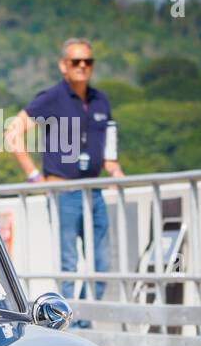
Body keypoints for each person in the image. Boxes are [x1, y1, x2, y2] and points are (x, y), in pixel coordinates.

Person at [6, 38, 124, 321]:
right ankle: (69, 327)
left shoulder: (100, 100)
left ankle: (84, 320)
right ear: (63, 66)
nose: (82, 66)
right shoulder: (52, 98)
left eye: (88, 61)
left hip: (93, 192)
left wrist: (115, 170)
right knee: (68, 265)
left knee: (102, 264)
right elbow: (12, 133)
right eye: (76, 62)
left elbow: (108, 146)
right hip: (63, 192)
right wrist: (34, 177)